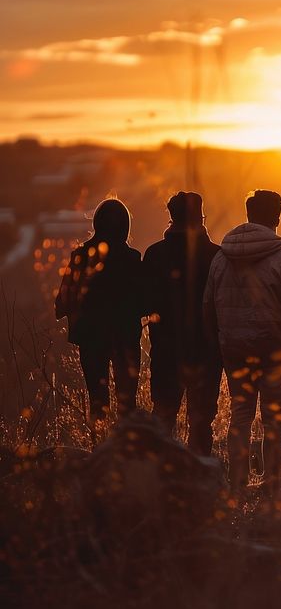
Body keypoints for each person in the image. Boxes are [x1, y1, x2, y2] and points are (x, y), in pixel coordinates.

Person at [203, 190, 281, 494]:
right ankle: (272, 483)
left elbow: (208, 306)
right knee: (274, 417)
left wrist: (221, 339)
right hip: (274, 348)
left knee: (241, 414)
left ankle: (236, 484)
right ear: (276, 217)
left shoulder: (220, 260)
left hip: (235, 349)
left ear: (249, 214)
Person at [55, 198, 143, 445]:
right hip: (126, 337)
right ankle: (127, 452)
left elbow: (62, 303)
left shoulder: (80, 256)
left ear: (97, 224)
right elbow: (145, 302)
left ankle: (100, 452)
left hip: (92, 339)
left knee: (98, 401)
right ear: (125, 226)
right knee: (127, 403)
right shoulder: (133, 258)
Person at [143, 192, 222, 456]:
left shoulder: (154, 255)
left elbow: (146, 303)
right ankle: (199, 478)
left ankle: (160, 478)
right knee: (201, 422)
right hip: (206, 350)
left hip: (165, 350)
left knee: (164, 417)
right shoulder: (216, 257)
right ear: (200, 219)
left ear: (171, 218)